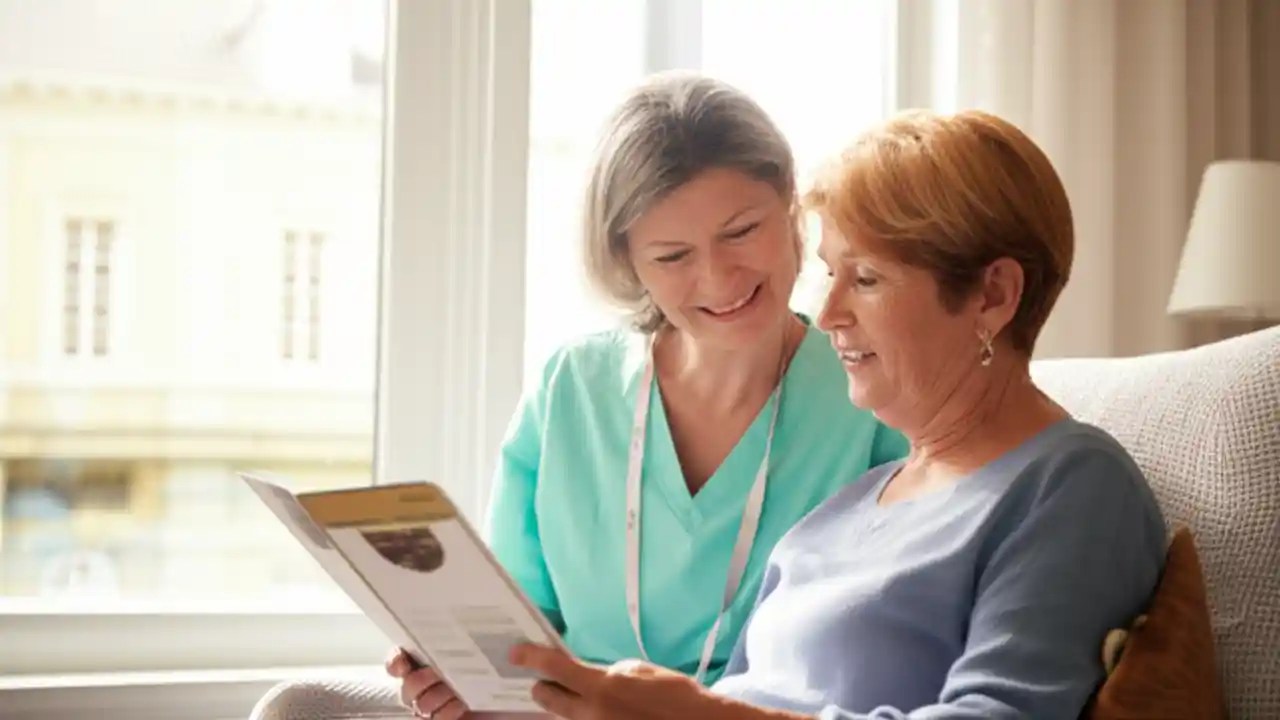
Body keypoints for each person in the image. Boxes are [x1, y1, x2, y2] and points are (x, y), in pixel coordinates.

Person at [508, 109, 1168, 719]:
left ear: (992, 295)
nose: (826, 316)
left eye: (869, 279)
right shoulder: (844, 511)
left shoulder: (1071, 486)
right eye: (830, 275)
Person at [388, 73, 908, 719]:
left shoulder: (872, 395)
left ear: (793, 211)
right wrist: (464, 679)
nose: (718, 278)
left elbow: (884, 651)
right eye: (671, 256)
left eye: (742, 231)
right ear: (628, 261)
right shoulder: (570, 390)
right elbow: (520, 633)